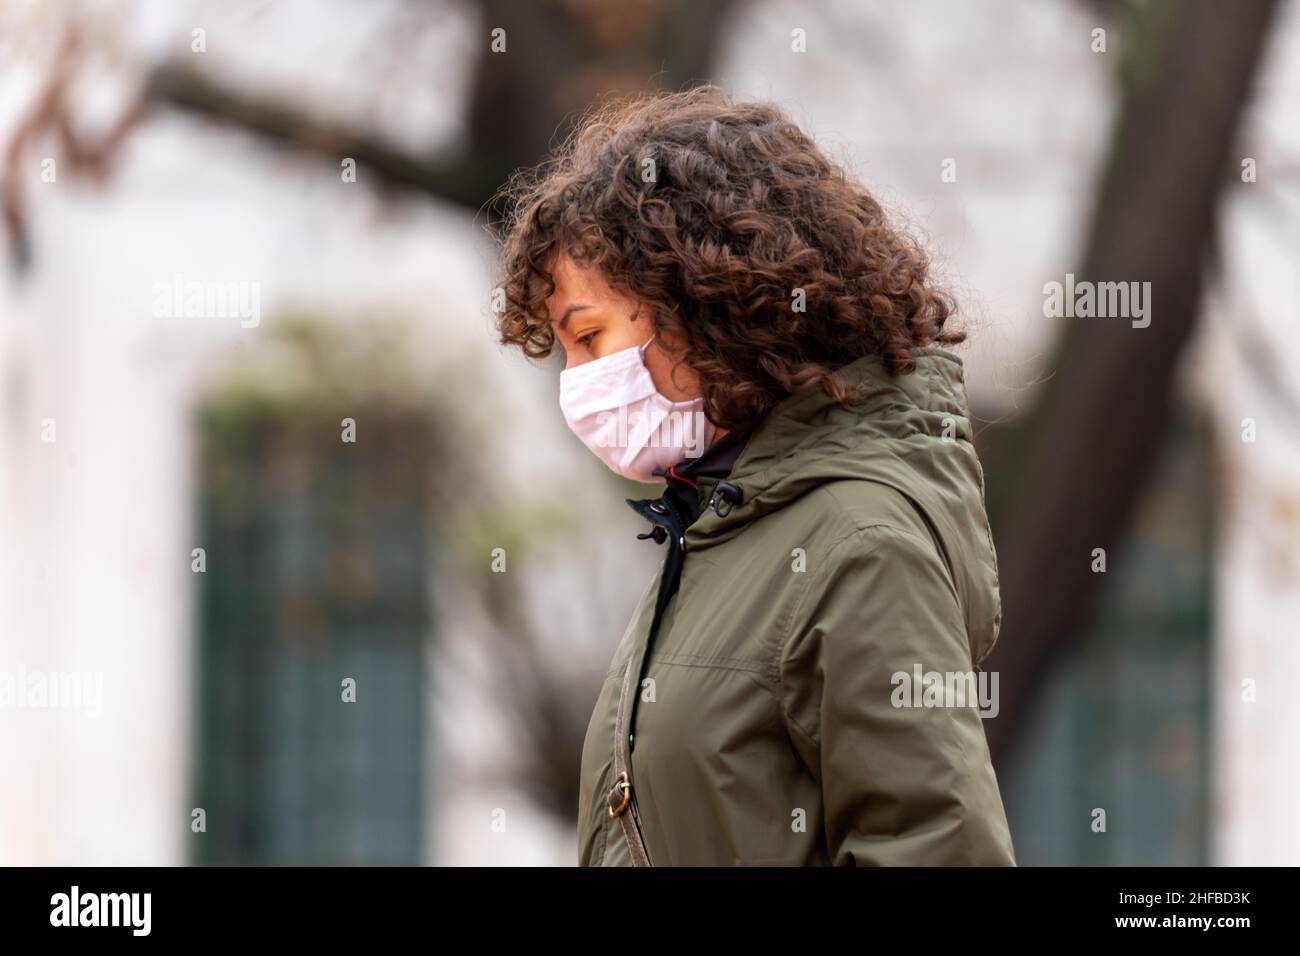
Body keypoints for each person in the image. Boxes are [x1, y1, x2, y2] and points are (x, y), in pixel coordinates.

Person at [492, 85, 1016, 866]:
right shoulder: (724, 527)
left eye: (590, 337)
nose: (577, 382)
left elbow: (935, 846)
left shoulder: (861, 542)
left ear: (702, 302)